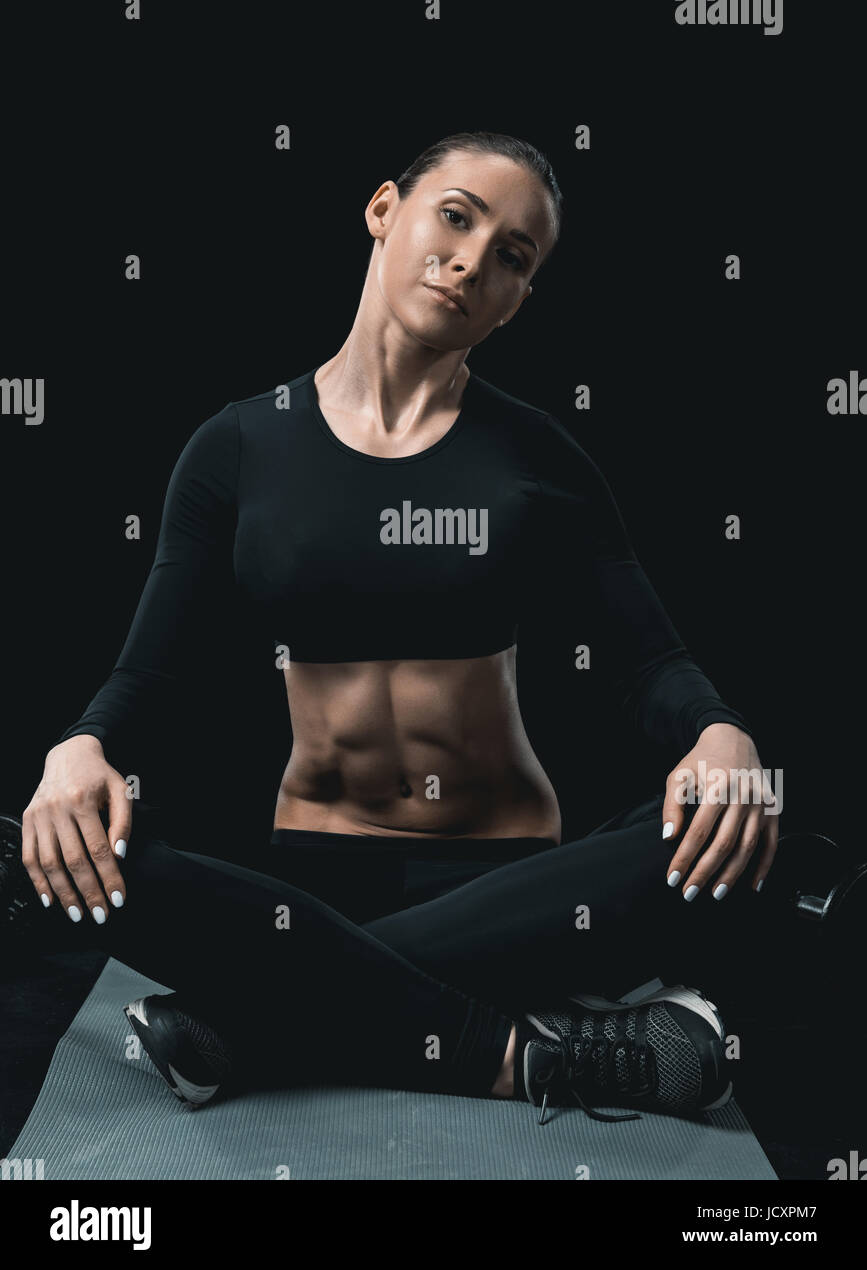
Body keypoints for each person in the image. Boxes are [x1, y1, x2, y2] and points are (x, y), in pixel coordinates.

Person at [11, 131, 781, 1125]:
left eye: (512, 255)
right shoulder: (237, 445)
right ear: (384, 210)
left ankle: (248, 1012)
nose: (471, 258)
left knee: (729, 827)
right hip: (313, 876)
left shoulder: (538, 455)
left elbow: (653, 665)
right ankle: (524, 1053)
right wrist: (81, 745)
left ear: (516, 300)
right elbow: (148, 676)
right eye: (456, 215)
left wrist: (719, 730)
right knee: (68, 850)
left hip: (509, 876)